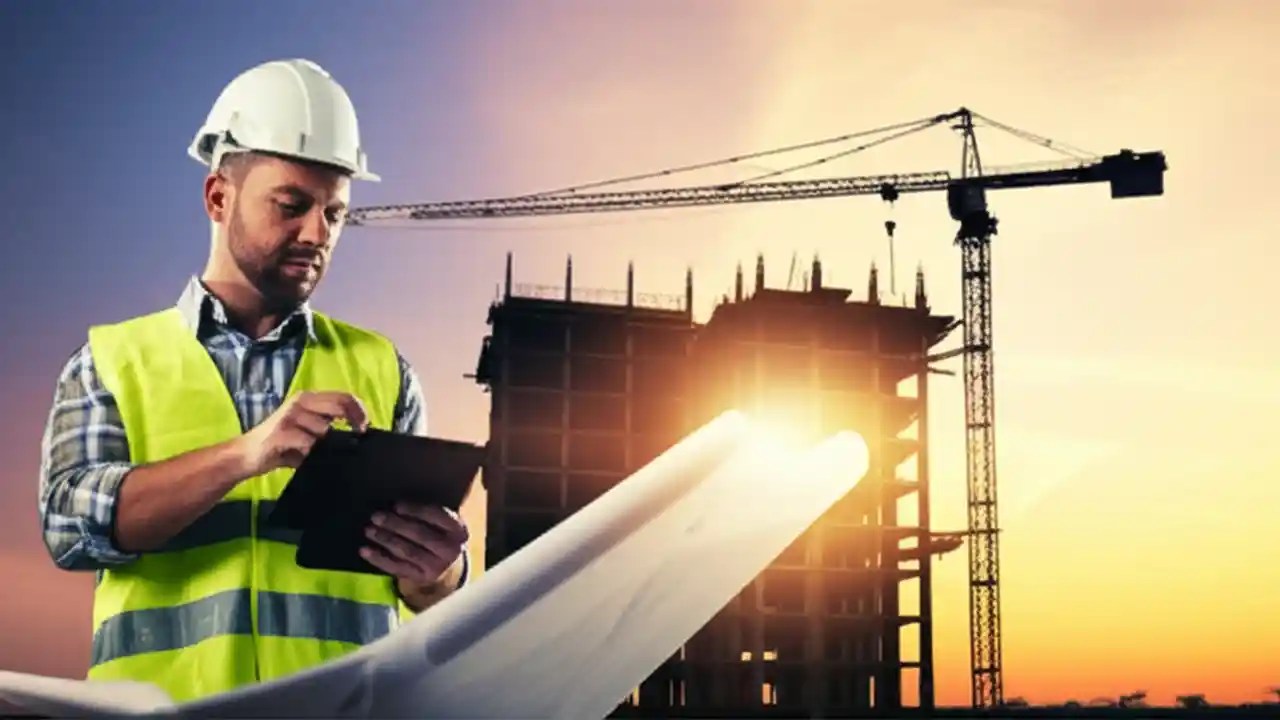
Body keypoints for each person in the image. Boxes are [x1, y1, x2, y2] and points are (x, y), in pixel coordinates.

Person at [36, 58, 470, 703]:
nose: (316, 233)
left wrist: (439, 576)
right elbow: (71, 529)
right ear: (218, 197)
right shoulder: (111, 360)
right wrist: (248, 454)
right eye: (292, 205)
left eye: (335, 213)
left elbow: (429, 597)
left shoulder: (385, 369)